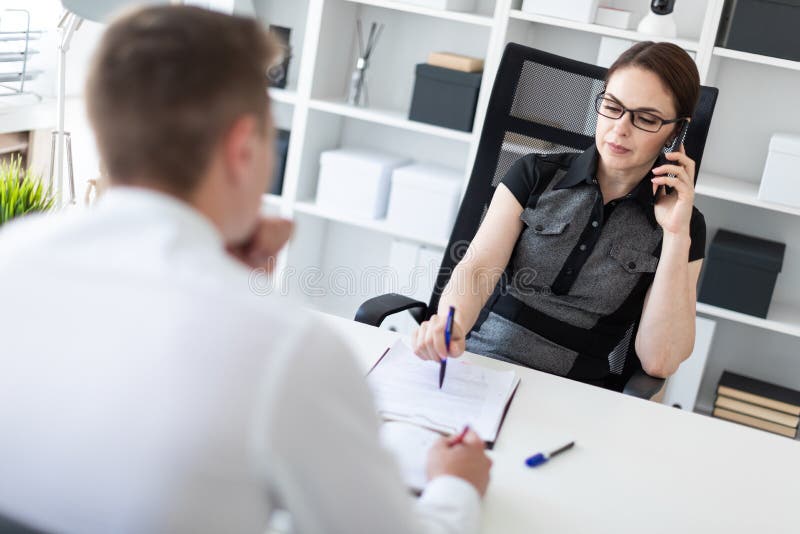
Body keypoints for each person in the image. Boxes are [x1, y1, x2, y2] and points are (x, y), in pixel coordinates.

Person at [0, 6, 490, 533]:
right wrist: (456, 486)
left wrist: (227, 272)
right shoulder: (289, 349)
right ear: (242, 148)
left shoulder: (12, 257)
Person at [412, 42, 706, 391]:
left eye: (645, 118)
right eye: (612, 107)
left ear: (675, 130)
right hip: (480, 363)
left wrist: (675, 236)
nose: (620, 129)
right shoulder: (535, 174)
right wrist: (452, 324)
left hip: (577, 393)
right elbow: (478, 269)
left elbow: (661, 360)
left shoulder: (684, 226)